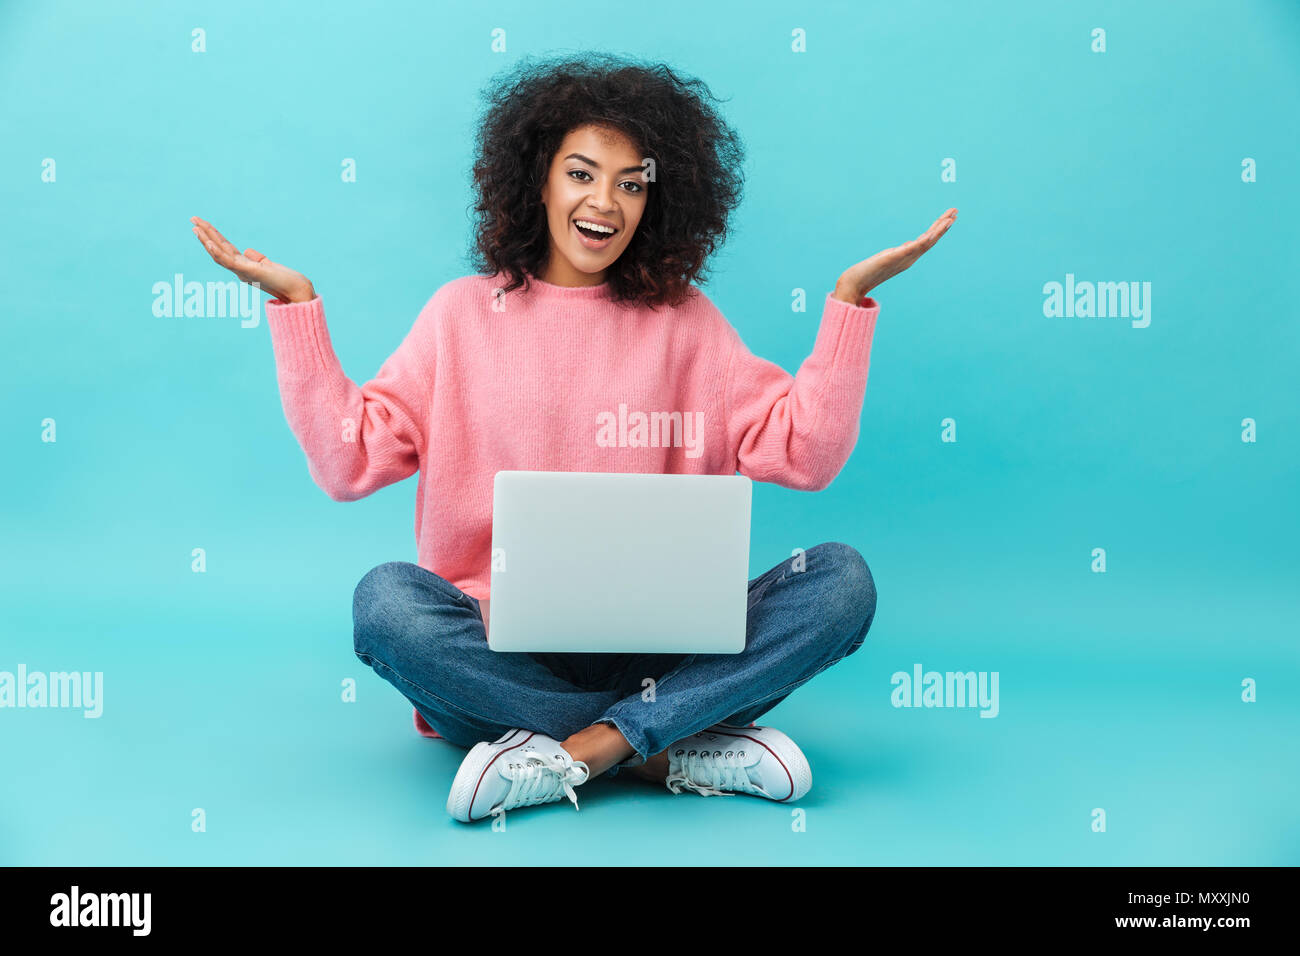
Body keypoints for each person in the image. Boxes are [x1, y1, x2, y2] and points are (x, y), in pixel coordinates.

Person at [191, 52, 956, 823]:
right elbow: (346, 461)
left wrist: (848, 306)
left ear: (657, 200)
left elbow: (807, 453)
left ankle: (584, 750)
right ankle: (664, 742)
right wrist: (298, 309)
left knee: (840, 581)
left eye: (631, 183)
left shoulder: (687, 323)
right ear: (538, 182)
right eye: (582, 174)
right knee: (385, 605)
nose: (606, 202)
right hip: (499, 658)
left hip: (666, 651)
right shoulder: (458, 317)